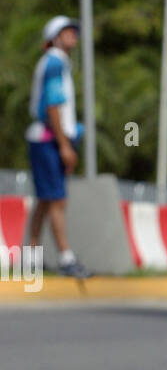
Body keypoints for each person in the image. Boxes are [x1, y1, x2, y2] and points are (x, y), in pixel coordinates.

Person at [25, 16, 90, 278]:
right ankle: (66, 258)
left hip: (48, 139)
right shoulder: (54, 62)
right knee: (56, 199)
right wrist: (64, 145)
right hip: (50, 140)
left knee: (45, 199)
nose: (74, 34)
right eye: (67, 31)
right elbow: (52, 105)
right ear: (54, 37)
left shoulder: (56, 61)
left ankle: (30, 256)